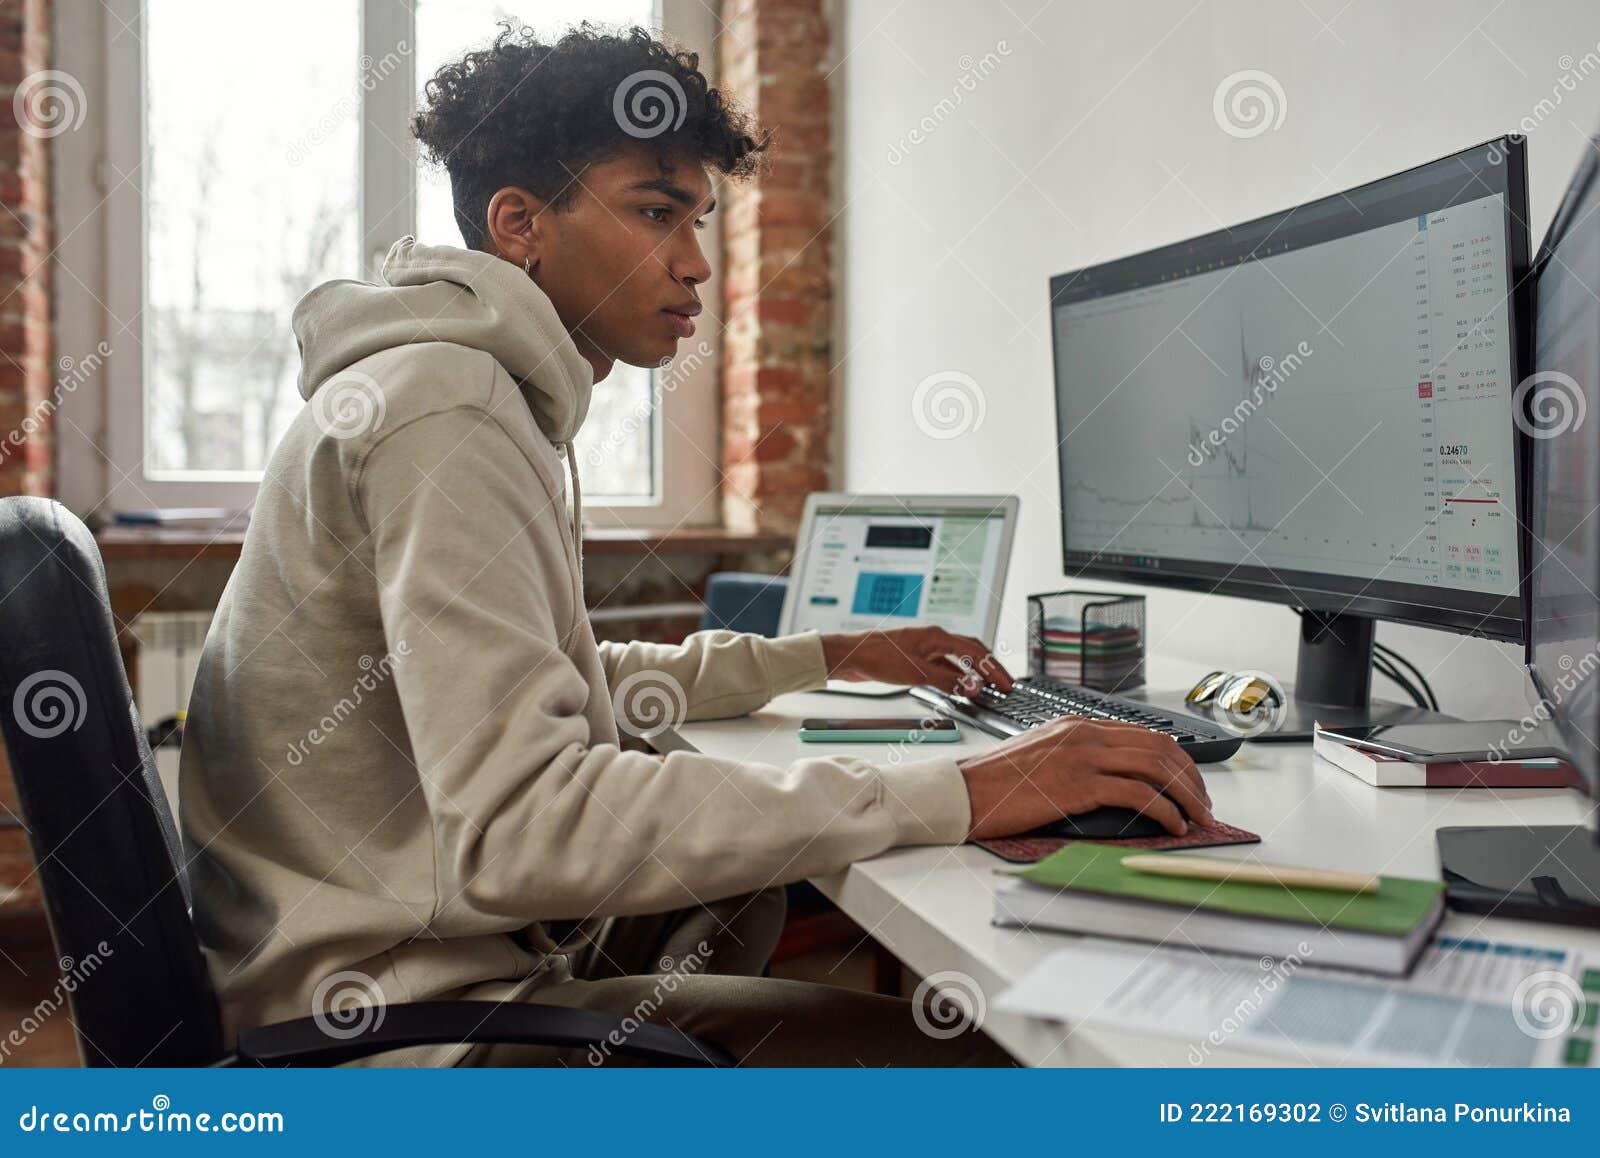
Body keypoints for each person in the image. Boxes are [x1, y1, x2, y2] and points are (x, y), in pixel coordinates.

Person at [178, 22, 1209, 1068]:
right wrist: (963, 791)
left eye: (700, 220)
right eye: (656, 213)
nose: (698, 264)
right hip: (391, 1034)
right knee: (992, 1065)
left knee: (754, 874)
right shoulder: (448, 409)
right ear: (520, 222)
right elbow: (522, 823)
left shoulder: (470, 389)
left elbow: (558, 674)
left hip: (406, 965)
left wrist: (823, 658)